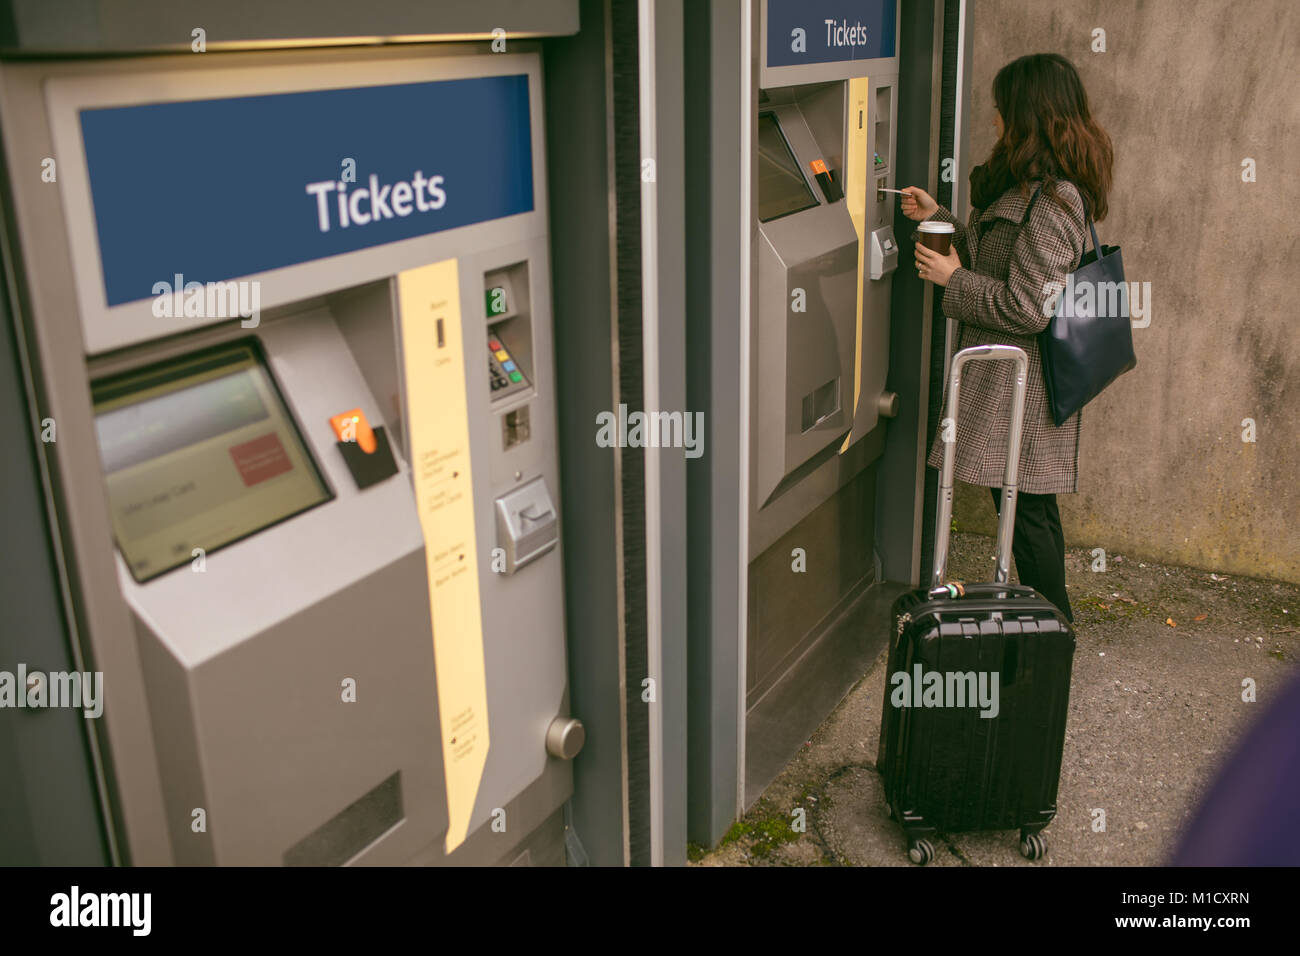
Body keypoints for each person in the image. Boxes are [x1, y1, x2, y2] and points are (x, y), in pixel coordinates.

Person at [900, 52, 1113, 624]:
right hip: (1006, 383)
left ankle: (1053, 630)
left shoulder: (1057, 199)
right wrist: (940, 214)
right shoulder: (1032, 187)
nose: (995, 120)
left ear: (1029, 116)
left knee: (1028, 516)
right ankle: (1047, 626)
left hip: (1026, 386)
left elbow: (1028, 306)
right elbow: (1005, 260)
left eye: (1002, 111)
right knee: (1021, 511)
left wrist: (954, 279)